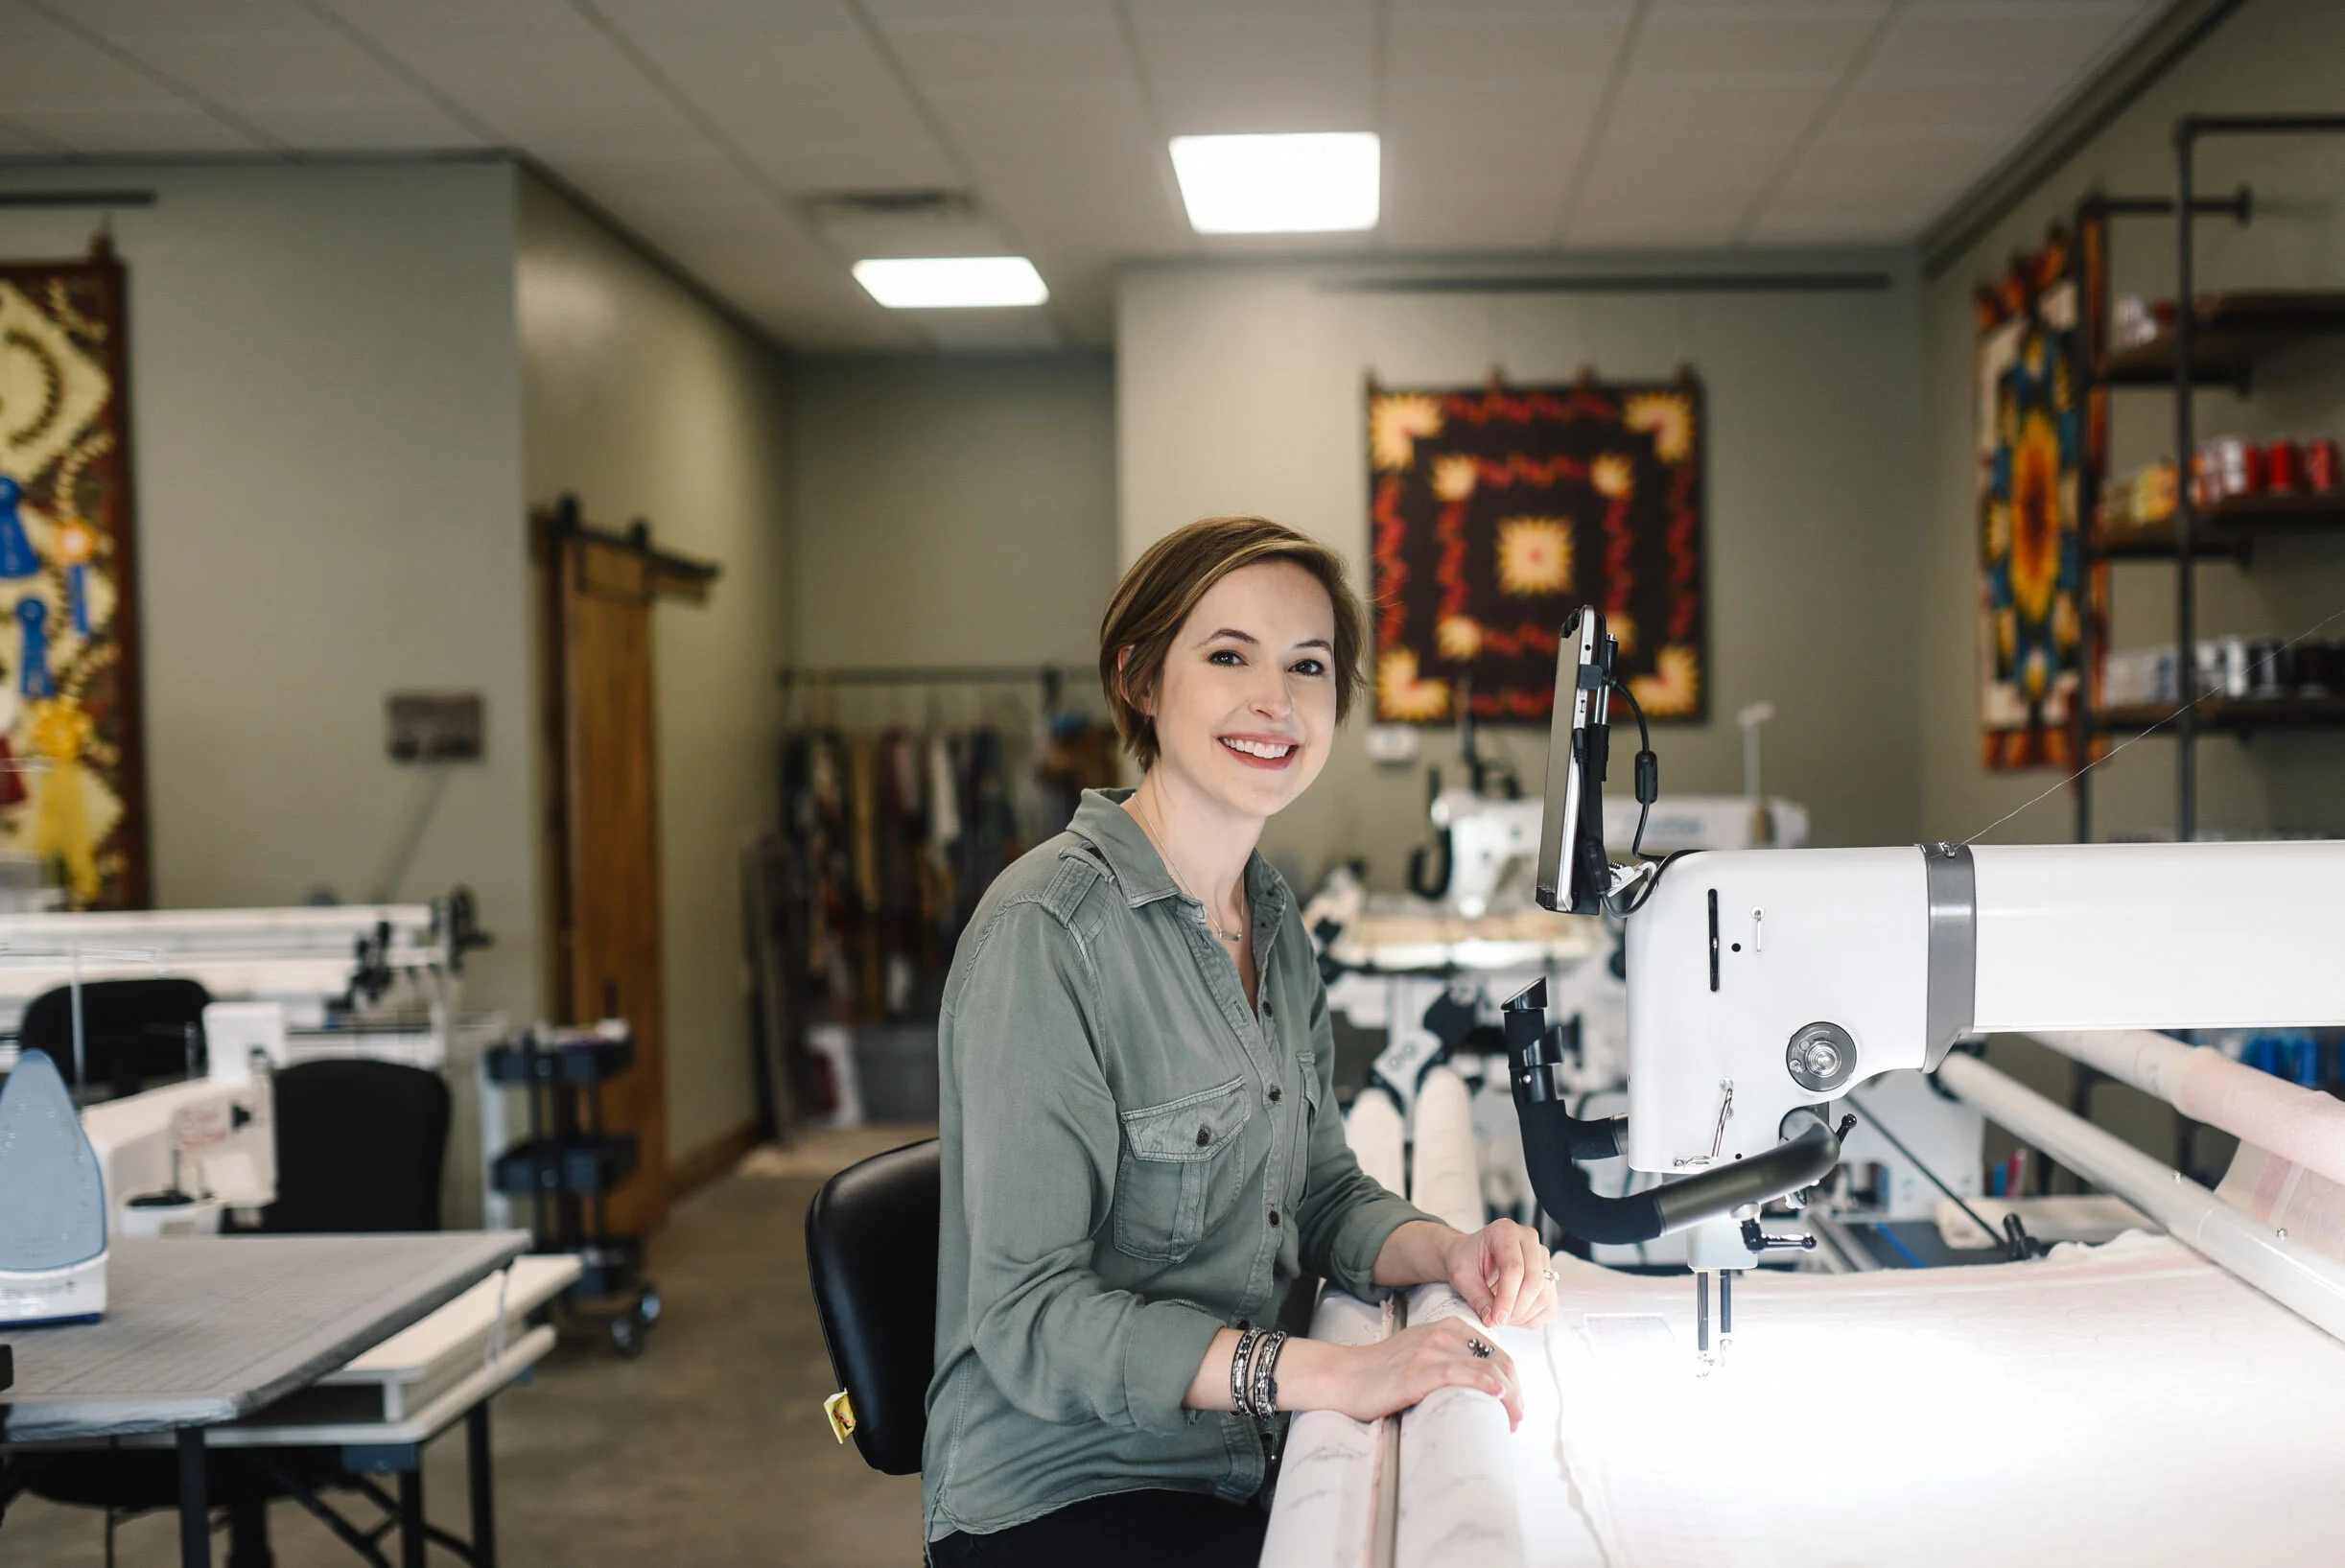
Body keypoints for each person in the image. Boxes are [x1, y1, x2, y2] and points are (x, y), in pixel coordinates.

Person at [925, 516, 1558, 1566]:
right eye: (1228, 657)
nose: (1277, 701)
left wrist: (1453, 1248)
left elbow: (1316, 1193)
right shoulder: (1046, 935)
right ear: (1139, 677)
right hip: (1066, 1485)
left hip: (1233, 1456)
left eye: (1309, 667)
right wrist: (1332, 1371)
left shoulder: (1270, 921)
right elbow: (1032, 1317)